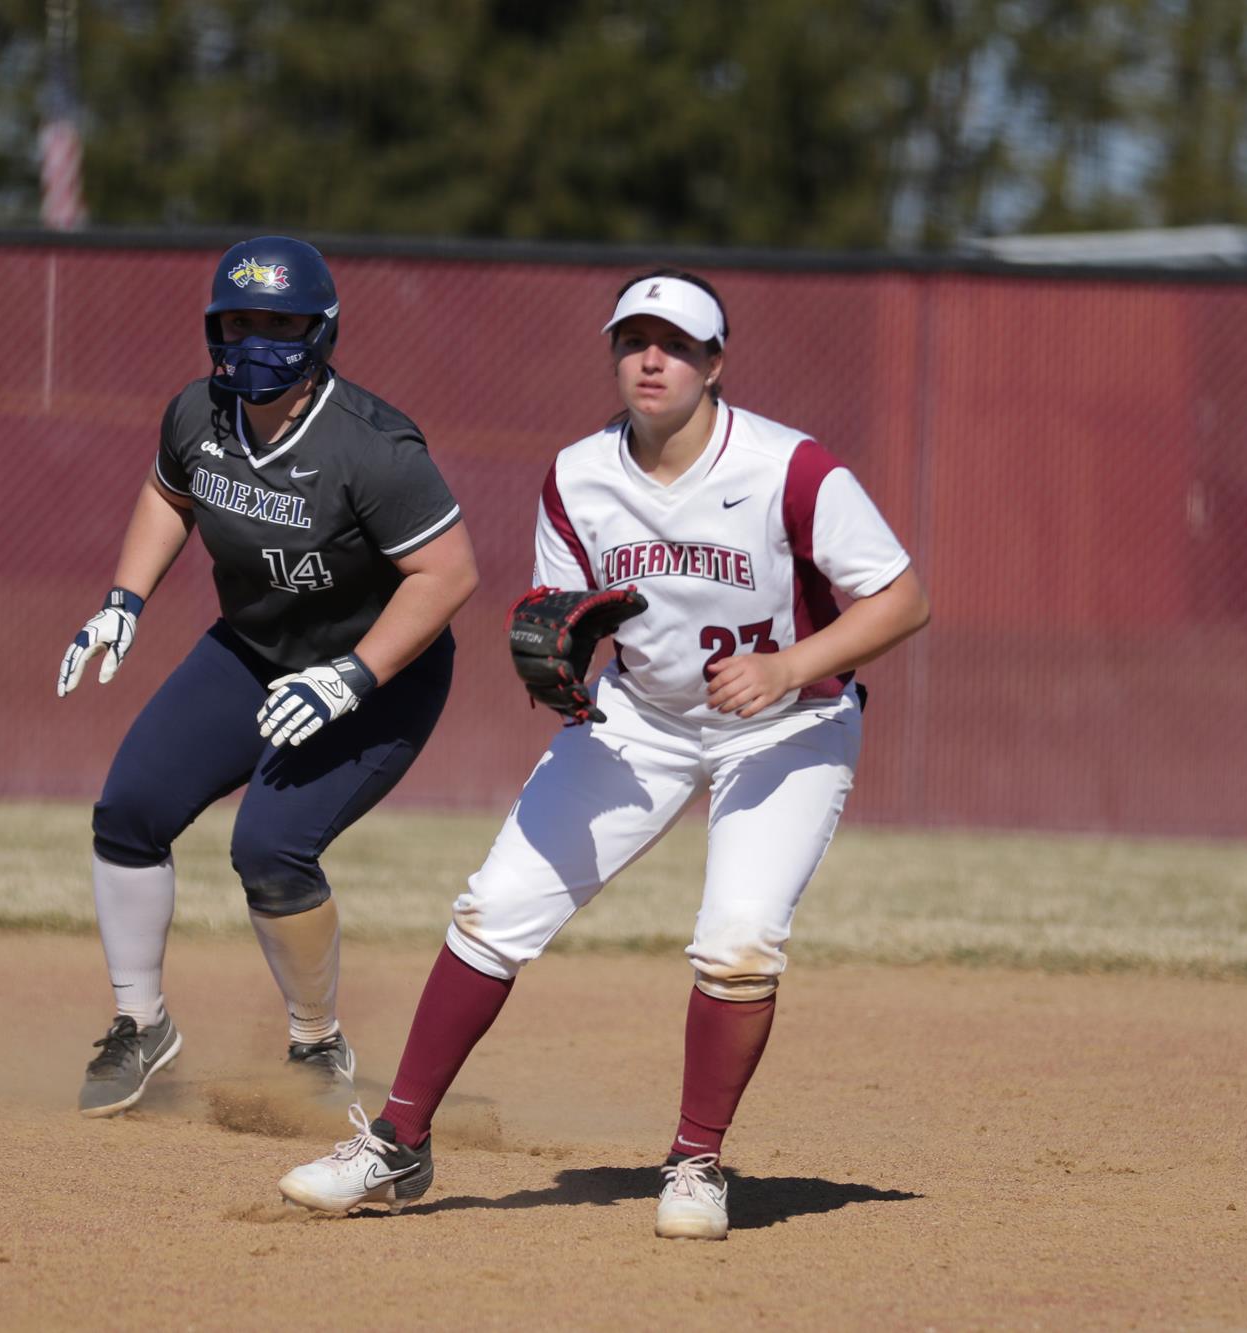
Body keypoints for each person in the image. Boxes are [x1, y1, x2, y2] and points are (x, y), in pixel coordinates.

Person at [277, 268, 930, 1238]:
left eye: (674, 342)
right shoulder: (576, 476)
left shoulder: (790, 469)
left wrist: (788, 664)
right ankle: (397, 1144)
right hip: (643, 720)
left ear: (715, 362)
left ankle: (695, 1164)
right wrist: (560, 654)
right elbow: (563, 612)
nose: (650, 358)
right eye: (632, 340)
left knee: (739, 934)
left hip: (789, 722)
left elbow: (901, 597)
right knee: (493, 908)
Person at [56, 235, 477, 1118]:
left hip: (377, 676)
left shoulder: (372, 445)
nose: (254, 341)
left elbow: (448, 574)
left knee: (270, 847)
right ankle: (142, 1026)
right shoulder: (198, 414)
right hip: (252, 650)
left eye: (278, 323)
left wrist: (352, 677)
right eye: (237, 320)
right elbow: (169, 493)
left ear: (320, 332)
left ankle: (318, 1045)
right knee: (129, 810)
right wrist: (123, 600)